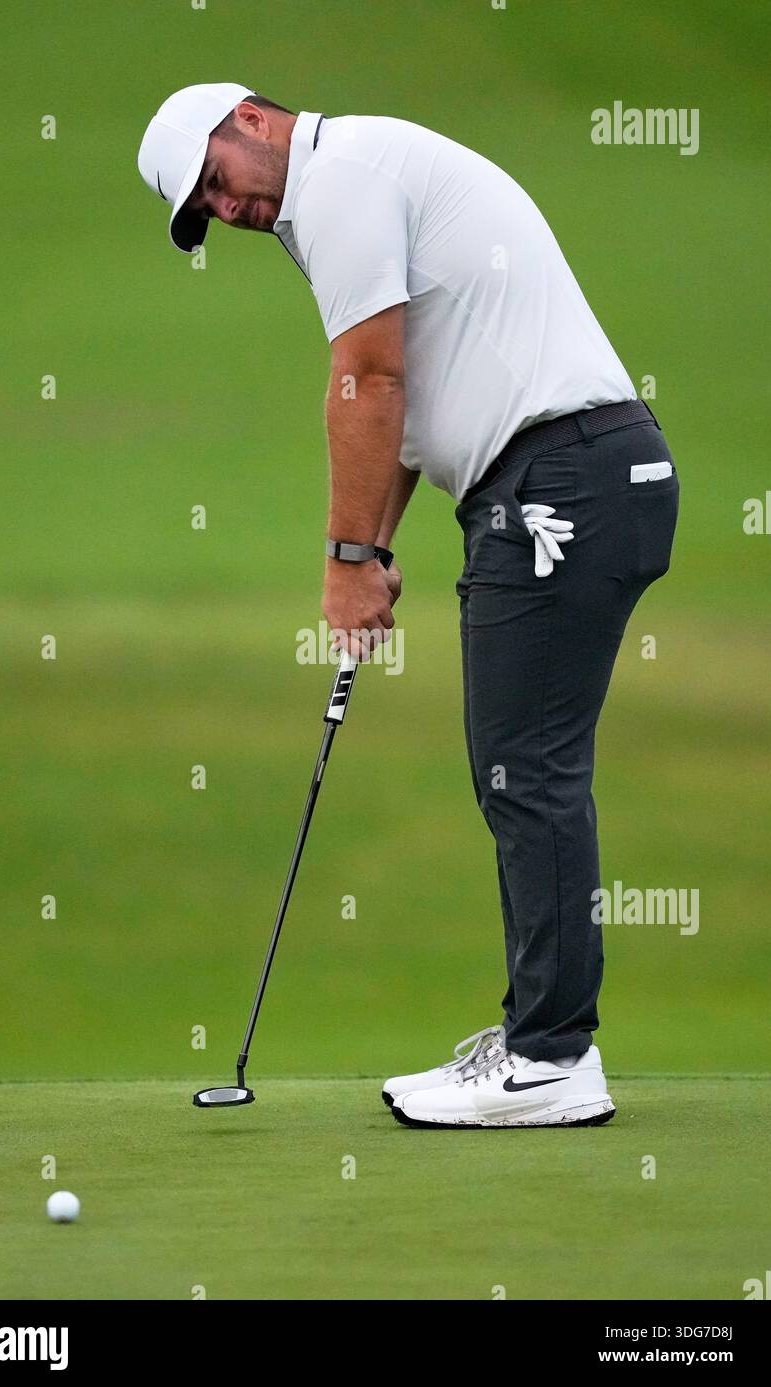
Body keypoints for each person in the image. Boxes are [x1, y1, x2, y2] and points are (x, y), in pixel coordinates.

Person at [138, 84, 679, 1128]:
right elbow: (403, 393)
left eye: (216, 180)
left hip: (562, 483)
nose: (228, 209)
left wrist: (344, 560)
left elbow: (367, 379)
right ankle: (540, 1039)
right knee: (517, 768)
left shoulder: (343, 179)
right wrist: (372, 545)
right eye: (207, 210)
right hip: (563, 483)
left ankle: (550, 1060)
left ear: (248, 119)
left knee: (527, 773)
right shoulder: (341, 195)